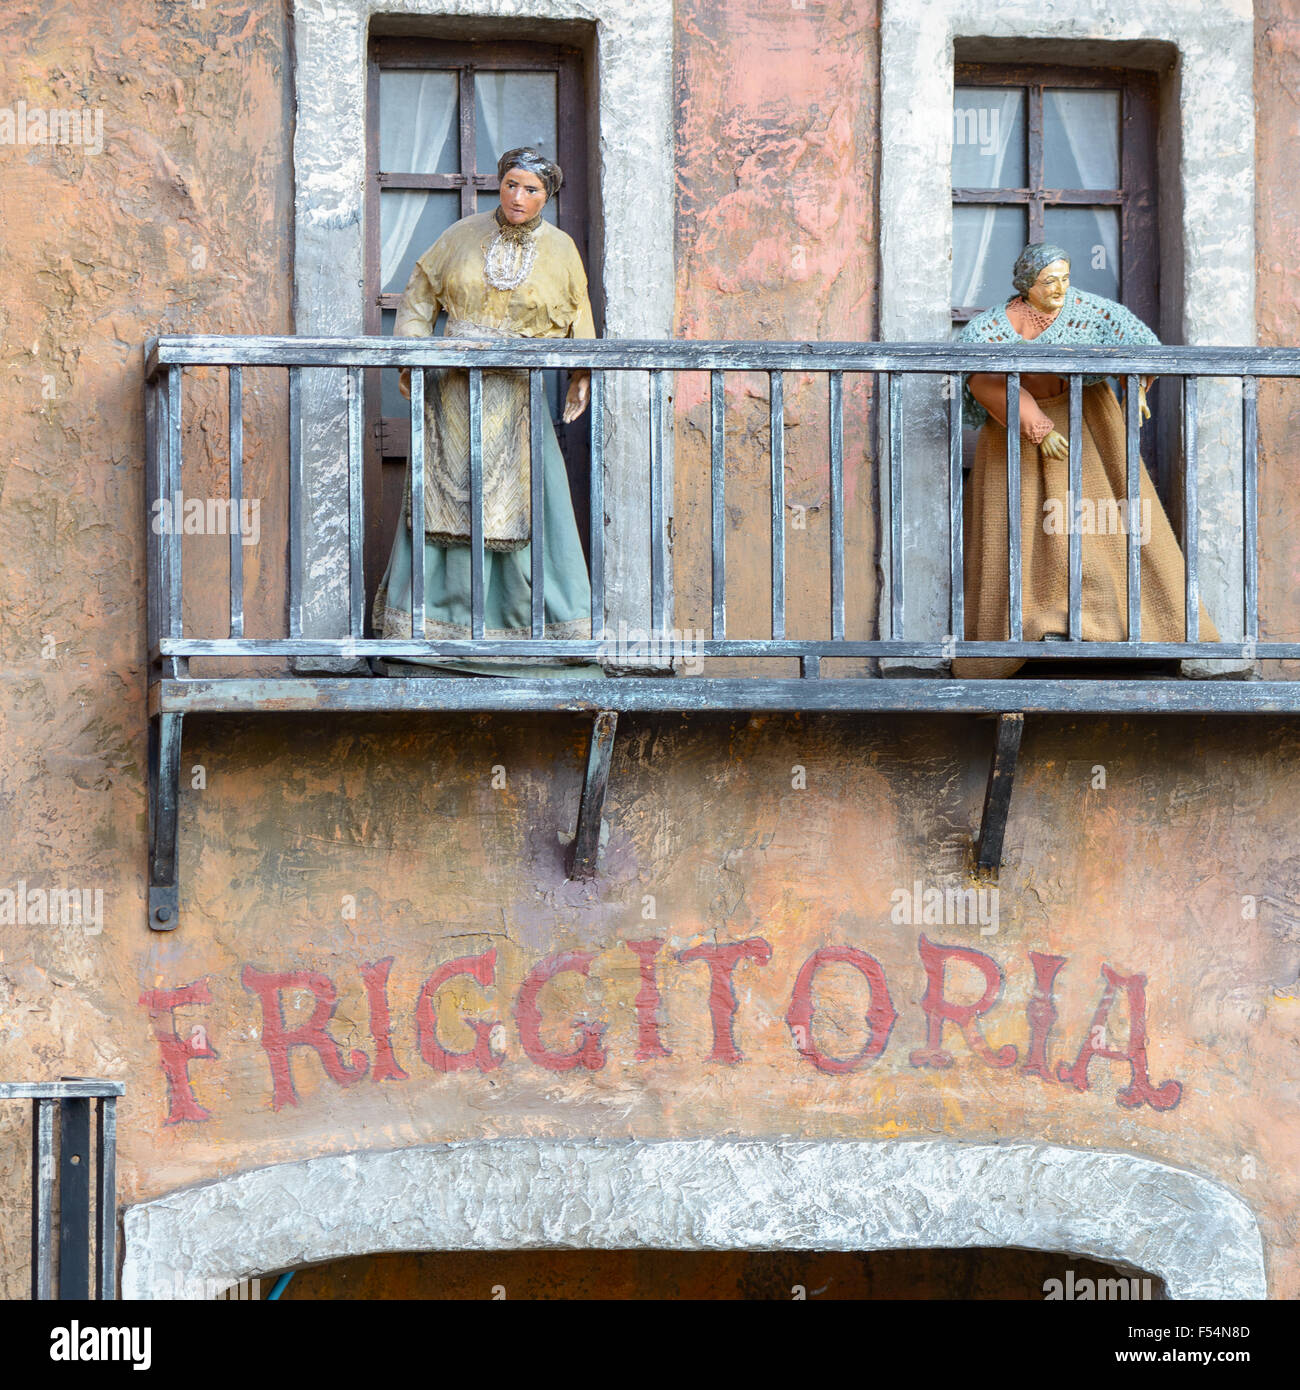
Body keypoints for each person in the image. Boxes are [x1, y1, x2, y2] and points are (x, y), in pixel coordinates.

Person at [372, 146, 604, 678]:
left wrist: (581, 373)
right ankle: (430, 631)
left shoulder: (562, 250)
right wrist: (415, 356)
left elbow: (579, 314)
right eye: (511, 185)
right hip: (453, 390)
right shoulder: (461, 234)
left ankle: (532, 634)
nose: (518, 197)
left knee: (527, 504)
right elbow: (419, 298)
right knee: (443, 500)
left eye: (532, 190)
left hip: (517, 396)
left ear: (549, 196)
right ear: (498, 184)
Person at [950, 242, 1218, 679]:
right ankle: (1032, 630)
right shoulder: (991, 328)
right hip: (1014, 433)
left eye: (1064, 278)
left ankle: (1125, 627)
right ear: (1025, 285)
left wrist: (1136, 386)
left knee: (1103, 521)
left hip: (1090, 423)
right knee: (1019, 526)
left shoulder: (1089, 311)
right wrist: (1036, 426)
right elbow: (984, 379)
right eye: (1047, 281)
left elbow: (1139, 345)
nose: (1059, 288)